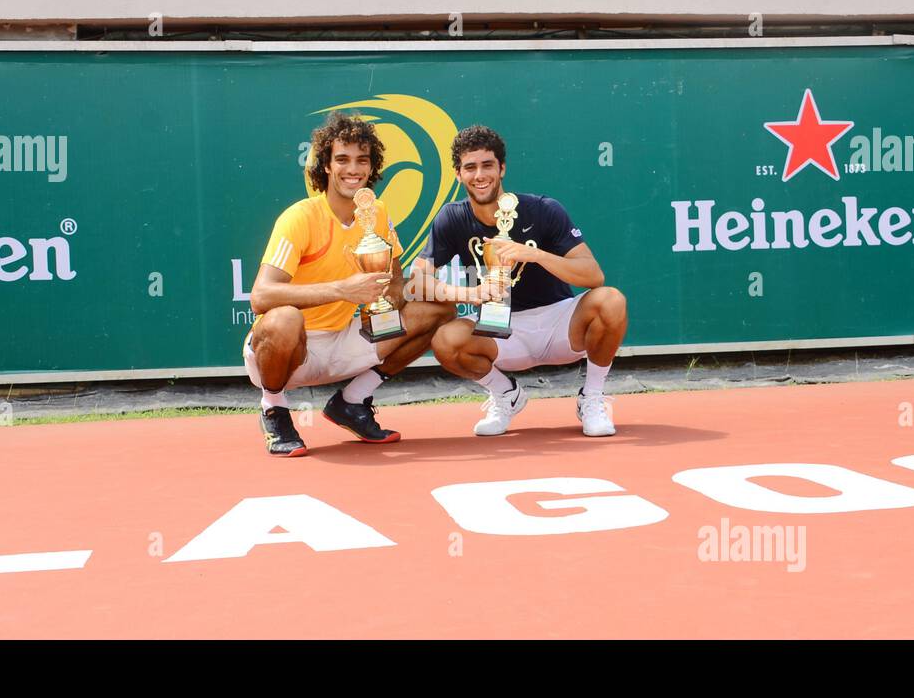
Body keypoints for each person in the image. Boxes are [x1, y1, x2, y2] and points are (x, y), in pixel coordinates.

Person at [246, 112, 454, 456]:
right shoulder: (300, 217)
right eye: (342, 159)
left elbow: (395, 282)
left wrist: (467, 293)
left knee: (436, 310)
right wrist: (344, 289)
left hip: (343, 341)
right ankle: (274, 408)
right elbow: (260, 296)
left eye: (362, 160)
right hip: (290, 352)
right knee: (284, 319)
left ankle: (351, 402)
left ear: (372, 167)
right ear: (326, 166)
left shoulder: (378, 212)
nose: (353, 169)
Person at [408, 125, 629, 437]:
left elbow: (594, 275)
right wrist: (471, 294)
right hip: (500, 329)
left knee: (611, 300)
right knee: (446, 339)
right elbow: (416, 282)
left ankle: (592, 398)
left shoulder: (543, 209)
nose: (479, 175)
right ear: (458, 174)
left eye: (487, 165)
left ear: (502, 168)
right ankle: (506, 395)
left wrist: (535, 255)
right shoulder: (452, 217)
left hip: (558, 322)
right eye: (470, 167)